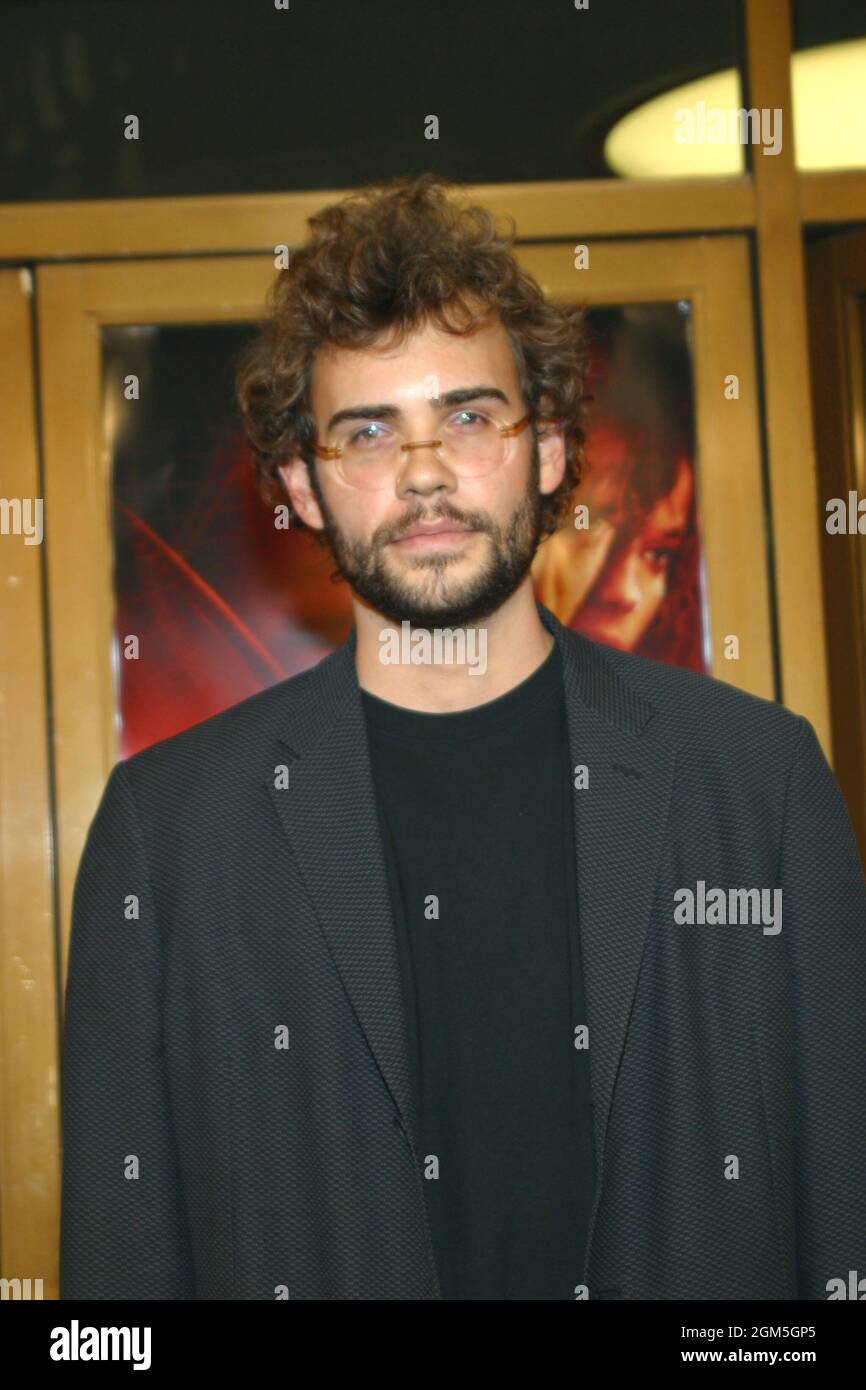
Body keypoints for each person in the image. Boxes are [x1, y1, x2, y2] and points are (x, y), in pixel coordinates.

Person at [60, 173, 866, 1300]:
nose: (426, 470)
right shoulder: (168, 835)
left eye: (470, 415)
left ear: (545, 450)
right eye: (369, 430)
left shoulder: (754, 786)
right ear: (301, 483)